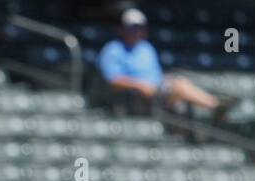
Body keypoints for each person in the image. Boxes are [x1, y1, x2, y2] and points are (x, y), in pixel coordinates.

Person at [97, 8, 234, 120]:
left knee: (181, 97)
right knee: (180, 86)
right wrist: (139, 85)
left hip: (158, 92)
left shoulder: (146, 48)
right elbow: (113, 80)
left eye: (140, 27)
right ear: (122, 29)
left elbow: (156, 74)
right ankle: (214, 105)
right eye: (132, 28)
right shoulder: (112, 50)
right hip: (137, 97)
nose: (137, 31)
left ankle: (205, 121)